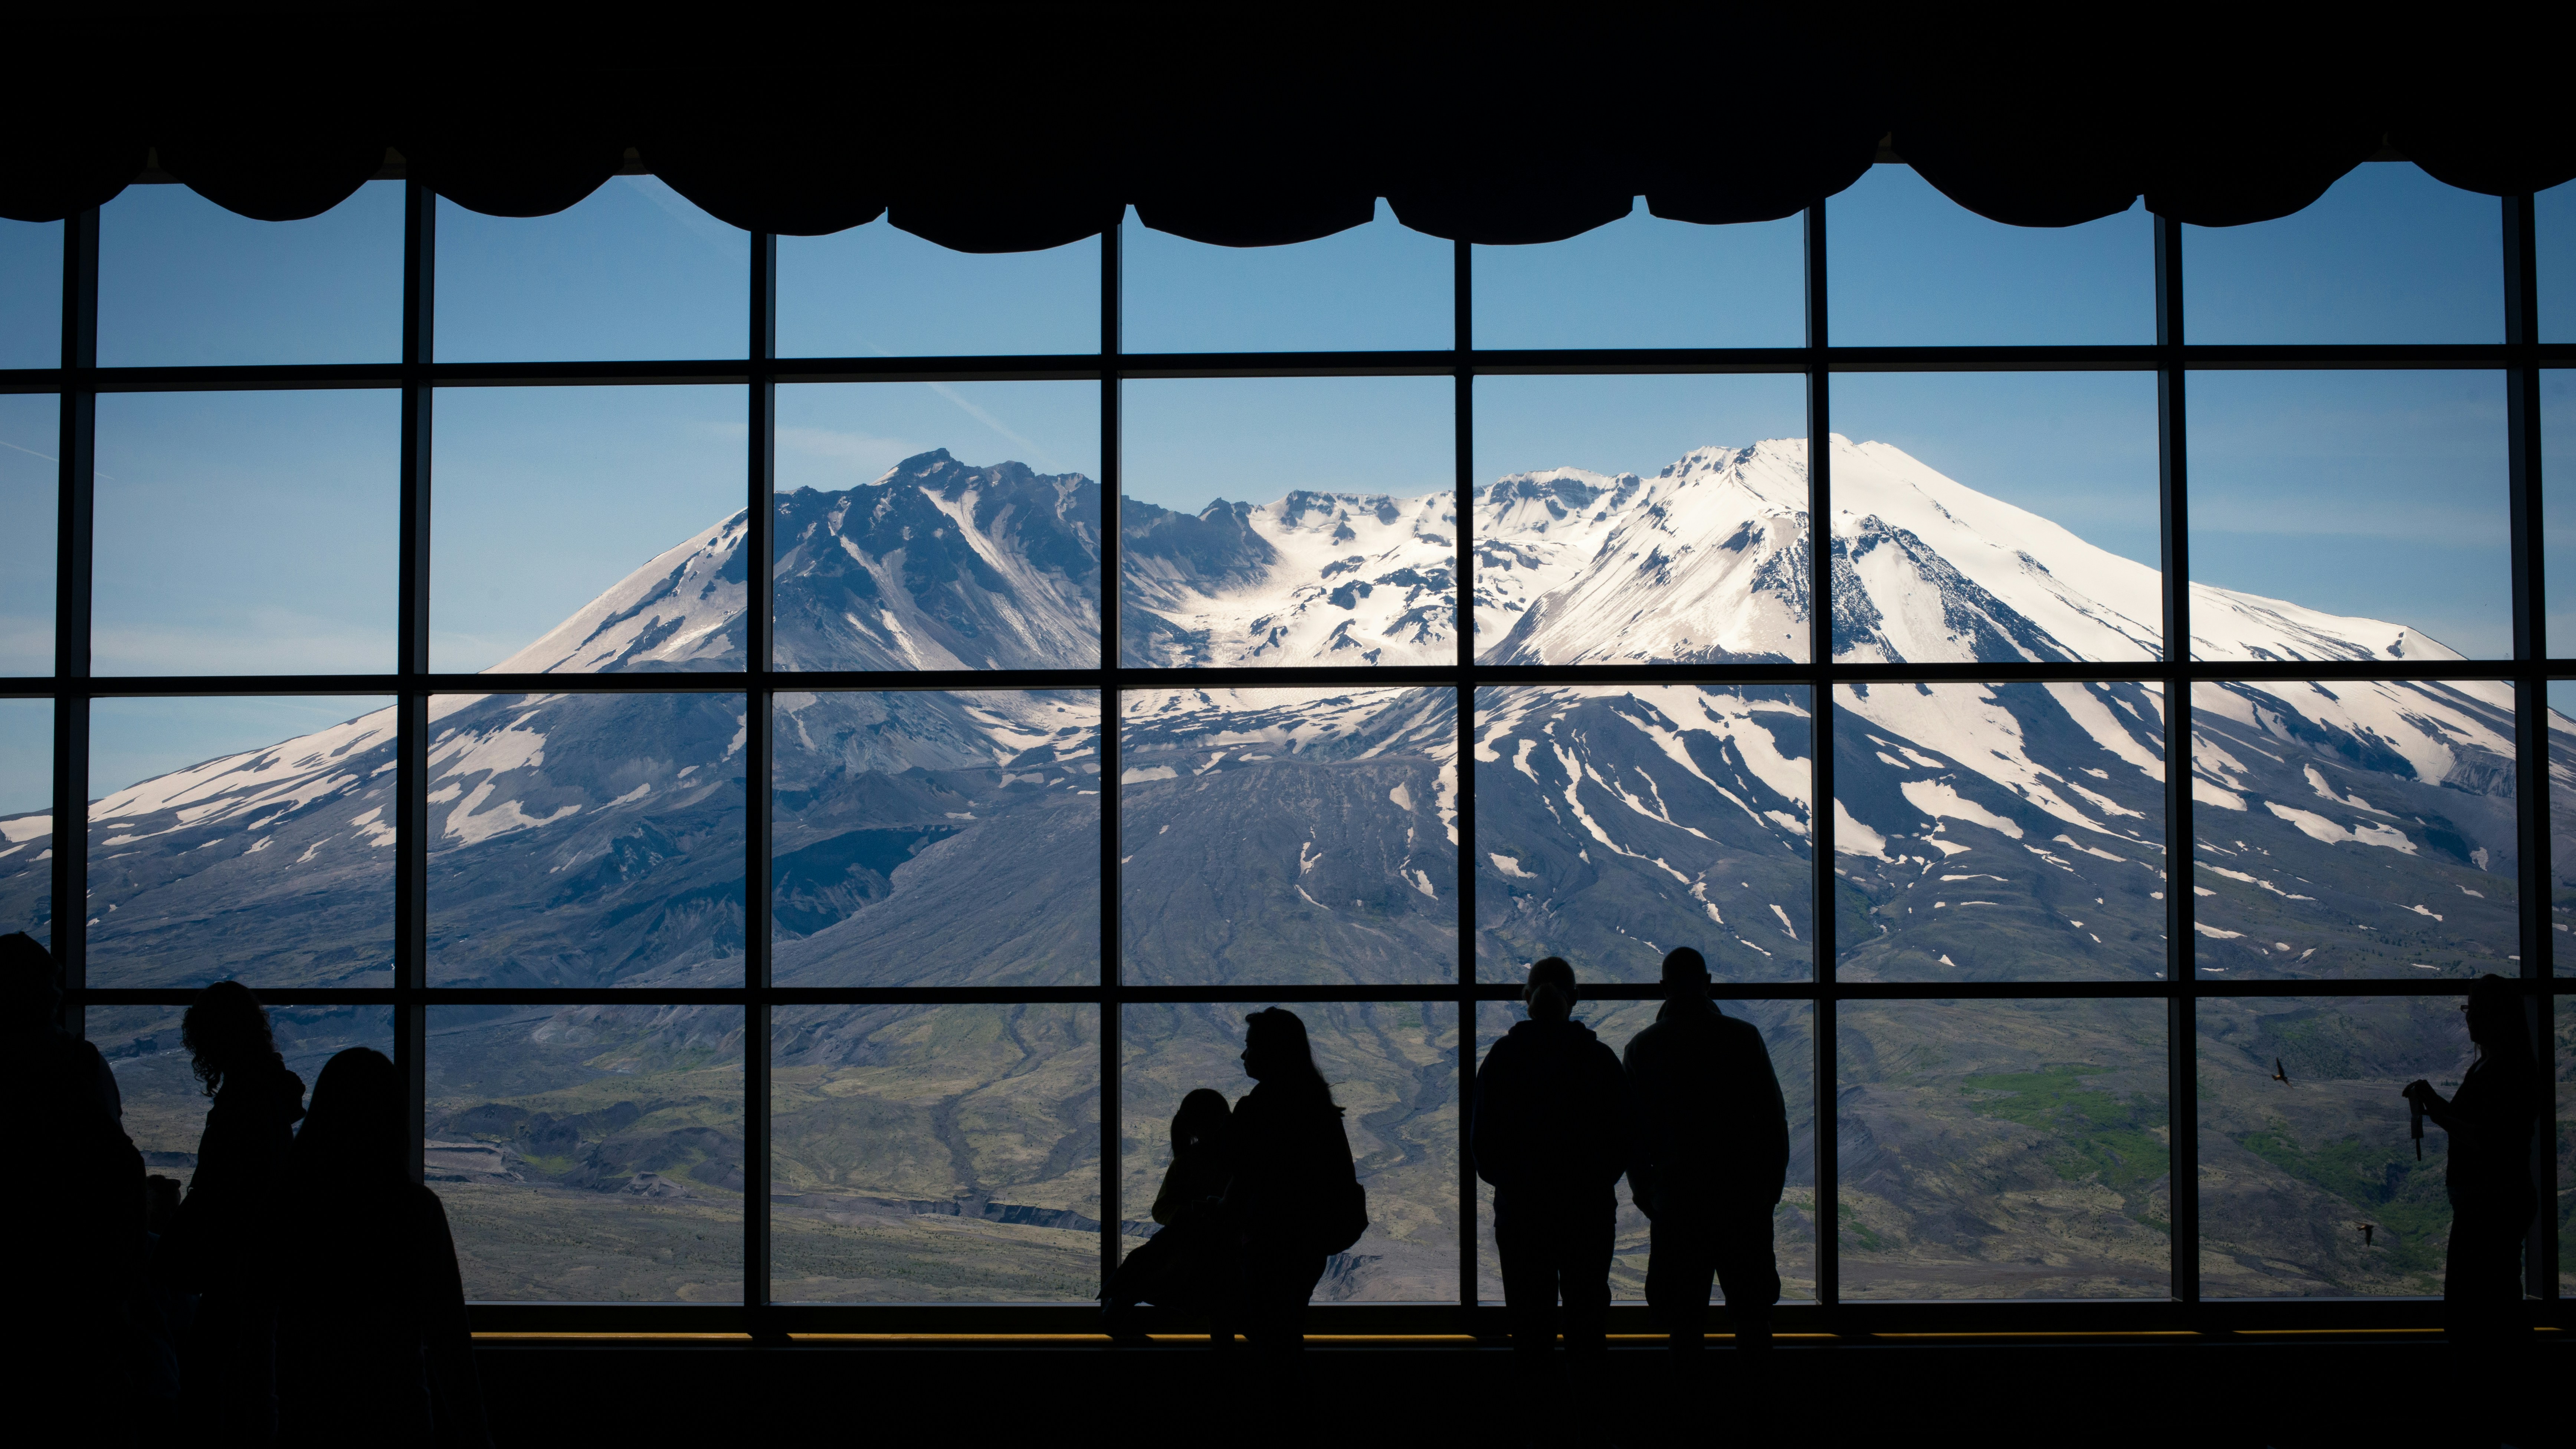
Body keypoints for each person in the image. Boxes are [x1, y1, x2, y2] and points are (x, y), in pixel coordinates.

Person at [274, 1048, 489, 1447]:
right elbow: (449, 1339)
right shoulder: (415, 1211)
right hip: (397, 1419)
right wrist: (476, 1435)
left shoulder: (287, 1207)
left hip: (305, 1418)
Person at [0, 931, 147, 1410]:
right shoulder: (76, 1064)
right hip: (80, 1278)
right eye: (50, 983)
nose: (58, 994)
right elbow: (118, 1165)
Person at [155, 980, 307, 1442]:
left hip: (237, 1269)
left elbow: (228, 1188)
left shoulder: (242, 1100)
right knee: (254, 1383)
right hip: (263, 1263)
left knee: (211, 1383)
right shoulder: (270, 1092)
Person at [1623, 946, 1788, 1353]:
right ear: (1708, 983)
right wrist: (1767, 1194)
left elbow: (1632, 1137)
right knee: (1753, 1318)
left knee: (1683, 1322)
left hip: (1678, 1203)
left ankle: (1689, 1411)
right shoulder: (1744, 1038)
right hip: (1743, 1200)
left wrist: (1650, 1196)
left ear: (1663, 988)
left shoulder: (1644, 1047)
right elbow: (1773, 1125)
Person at [1471, 956, 1629, 1367]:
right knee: (1588, 1325)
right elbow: (1622, 1141)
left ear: (1526, 998)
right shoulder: (1600, 1060)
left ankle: (1535, 1425)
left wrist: (1518, 1187)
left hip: (1522, 1217)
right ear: (1575, 998)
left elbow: (1484, 1150)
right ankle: (1590, 1424)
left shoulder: (1502, 1060)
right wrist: (1591, 1186)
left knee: (1529, 1329)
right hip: (1588, 1215)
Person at [2402, 974, 2539, 1358]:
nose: (2469, 1018)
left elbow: (2487, 1138)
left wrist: (2437, 1110)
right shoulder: (2494, 1065)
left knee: (2481, 1312)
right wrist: (2432, 1100)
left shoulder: (2506, 1071)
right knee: (2493, 1306)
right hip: (2487, 1204)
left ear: (2498, 1015)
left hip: (2490, 1207)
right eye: (2468, 1009)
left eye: (2476, 1009)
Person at [1221, 1008, 1361, 1354]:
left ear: (1272, 1051)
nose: (1244, 1054)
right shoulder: (1316, 1105)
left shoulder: (1261, 1107)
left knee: (1270, 1336)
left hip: (1270, 1242)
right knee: (1284, 1332)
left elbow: (1243, 1179)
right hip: (1310, 1244)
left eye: (1251, 1045)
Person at [1102, 1087, 1234, 1331]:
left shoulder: (1194, 1162)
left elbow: (1161, 1209)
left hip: (1205, 1244)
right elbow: (1162, 1208)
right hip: (1204, 1242)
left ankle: (1117, 1307)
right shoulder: (1191, 1164)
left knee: (1143, 1267)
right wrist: (1186, 1215)